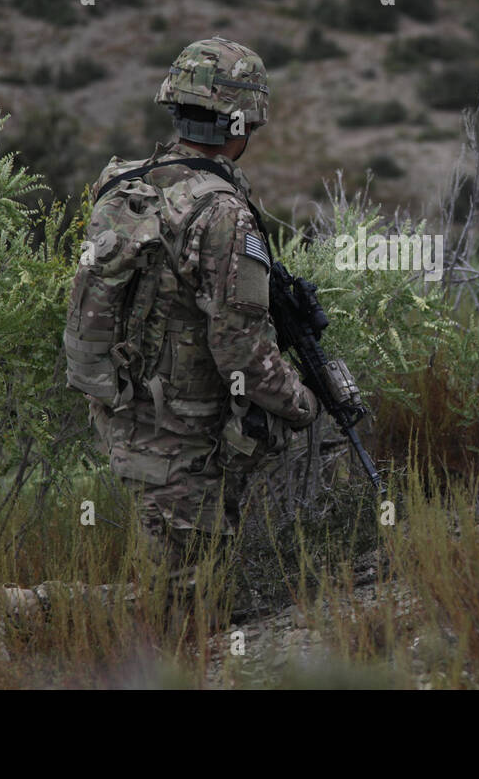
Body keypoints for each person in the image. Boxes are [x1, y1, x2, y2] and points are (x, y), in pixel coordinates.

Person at [86, 35, 318, 590]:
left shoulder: (122, 182)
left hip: (121, 405)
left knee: (171, 578)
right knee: (184, 597)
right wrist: (303, 403)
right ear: (240, 127)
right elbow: (240, 350)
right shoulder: (224, 214)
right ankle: (9, 609)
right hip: (184, 431)